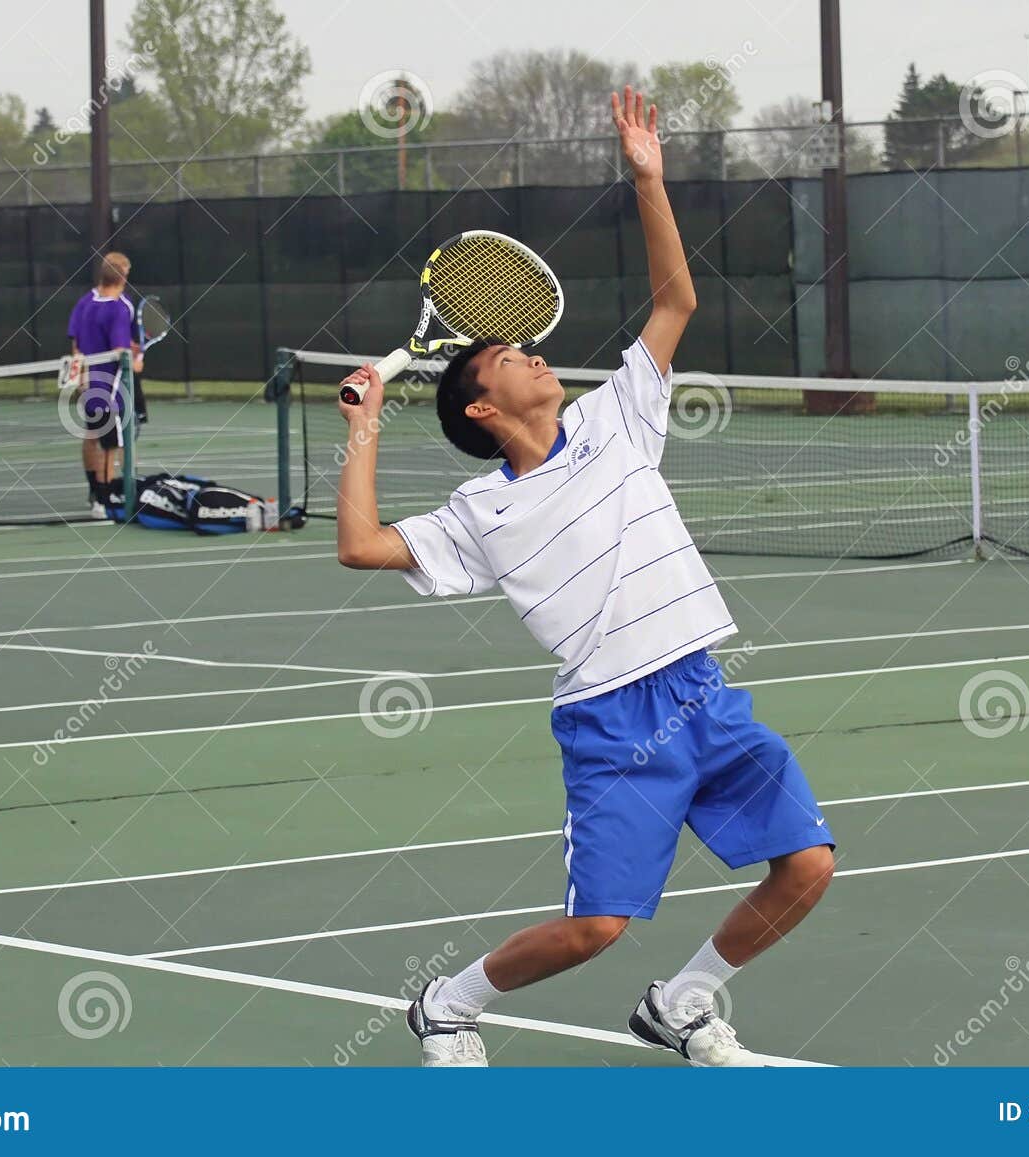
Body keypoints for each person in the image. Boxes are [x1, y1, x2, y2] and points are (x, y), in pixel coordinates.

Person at [334, 87, 835, 1068]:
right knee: (594, 927)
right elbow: (359, 544)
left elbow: (675, 300)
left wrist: (649, 179)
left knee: (807, 864)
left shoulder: (617, 419)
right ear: (482, 406)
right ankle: (447, 1001)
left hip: (701, 686)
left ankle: (684, 1001)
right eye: (512, 354)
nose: (533, 353)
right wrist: (362, 429)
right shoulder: (478, 513)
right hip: (613, 719)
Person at [67, 252, 143, 518]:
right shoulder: (121, 307)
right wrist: (136, 361)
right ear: (123, 276)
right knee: (113, 443)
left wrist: (79, 379)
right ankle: (105, 498)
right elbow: (121, 352)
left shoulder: (84, 302)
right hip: (112, 387)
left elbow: (76, 345)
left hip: (89, 384)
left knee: (92, 436)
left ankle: (95, 493)